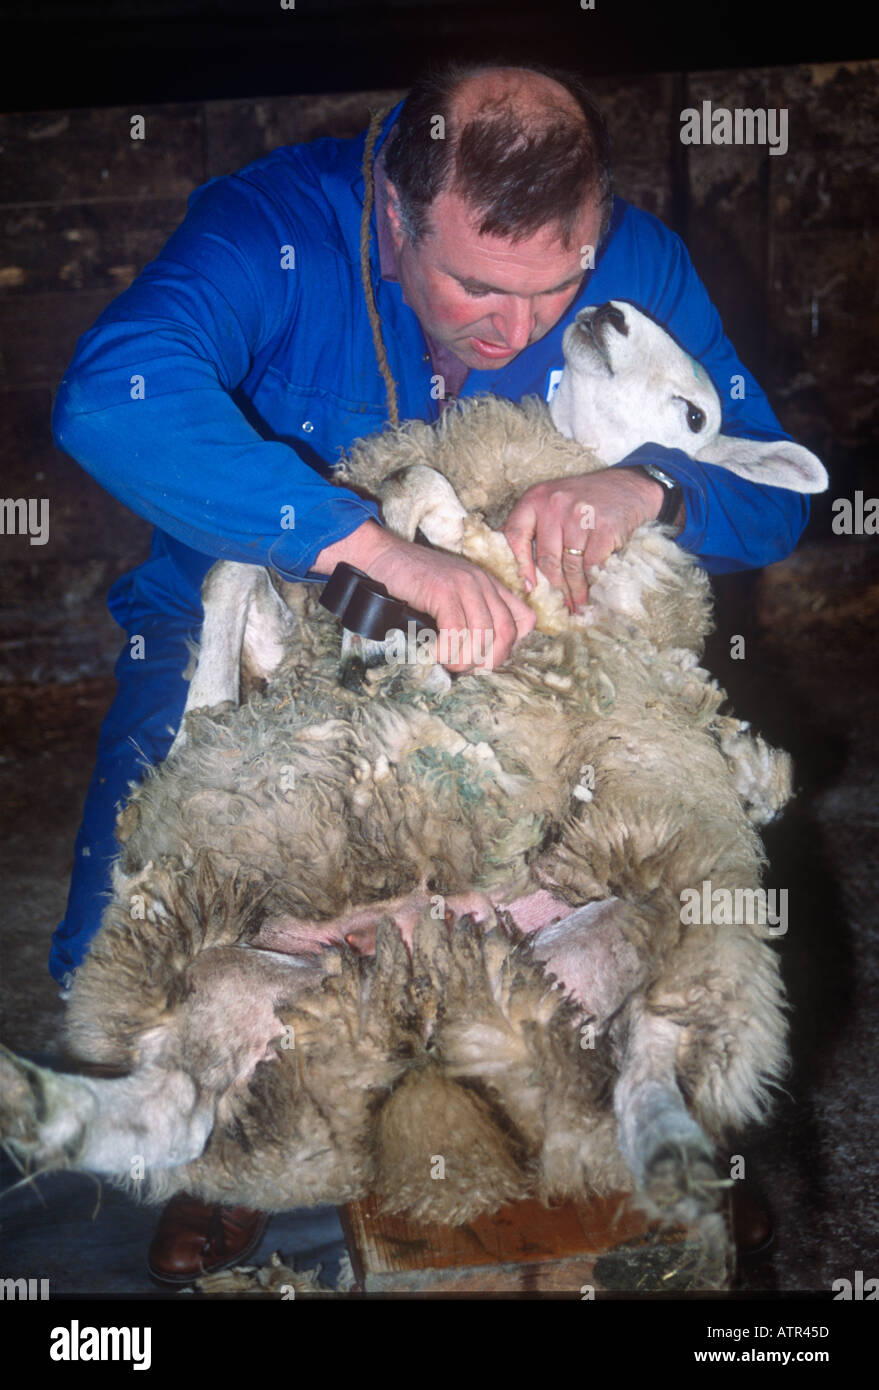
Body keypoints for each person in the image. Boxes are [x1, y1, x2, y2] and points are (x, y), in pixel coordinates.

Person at [51, 60, 791, 1279]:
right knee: (123, 940)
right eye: (480, 290)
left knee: (681, 833)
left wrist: (655, 482)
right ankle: (220, 1160)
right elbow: (109, 397)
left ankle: (660, 1120)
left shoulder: (637, 259)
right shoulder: (271, 227)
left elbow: (774, 484)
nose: (529, 328)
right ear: (396, 219)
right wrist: (358, 543)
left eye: (560, 285)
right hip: (273, 622)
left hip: (537, 658)